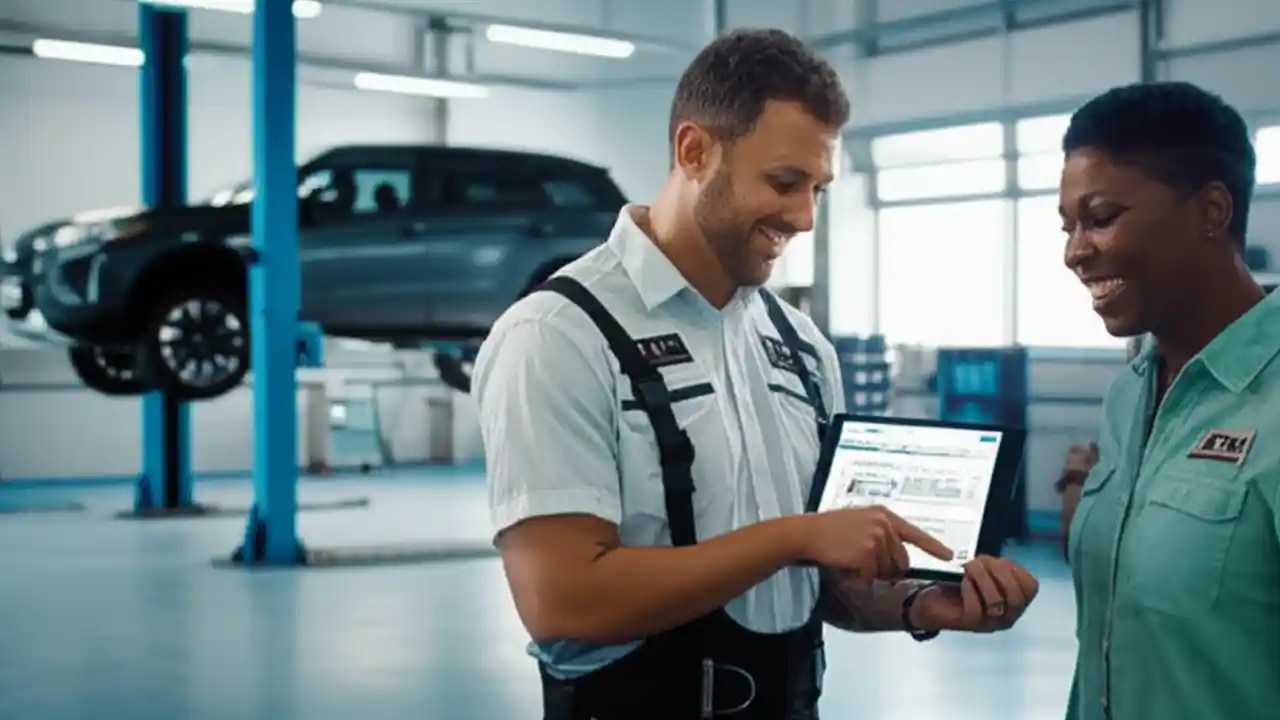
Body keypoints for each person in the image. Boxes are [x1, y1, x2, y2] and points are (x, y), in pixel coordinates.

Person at [473, 28, 1040, 720]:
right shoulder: (559, 335)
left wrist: (922, 603)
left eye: (819, 189)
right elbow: (564, 600)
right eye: (784, 182)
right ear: (694, 151)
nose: (803, 217)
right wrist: (793, 536)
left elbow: (820, 588)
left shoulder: (799, 347)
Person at [1059, 81, 1280, 720]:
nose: (1075, 252)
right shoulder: (1130, 395)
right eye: (1068, 226)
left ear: (1211, 211)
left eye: (1101, 218)